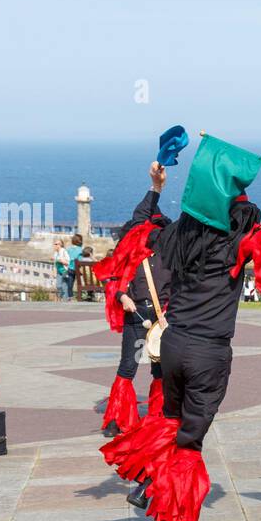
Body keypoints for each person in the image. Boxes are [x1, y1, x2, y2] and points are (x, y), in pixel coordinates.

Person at [104, 158, 261, 521]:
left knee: (169, 420)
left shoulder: (179, 237)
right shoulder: (237, 244)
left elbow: (139, 228)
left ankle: (148, 486)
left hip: (173, 345)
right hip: (209, 353)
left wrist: (155, 186)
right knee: (190, 442)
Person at [97, 162, 172, 439]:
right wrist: (121, 296)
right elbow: (111, 278)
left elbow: (179, 286)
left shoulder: (170, 254)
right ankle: (118, 418)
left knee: (161, 370)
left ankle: (158, 415)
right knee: (128, 367)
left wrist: (170, 311)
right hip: (136, 314)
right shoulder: (130, 253)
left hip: (163, 318)